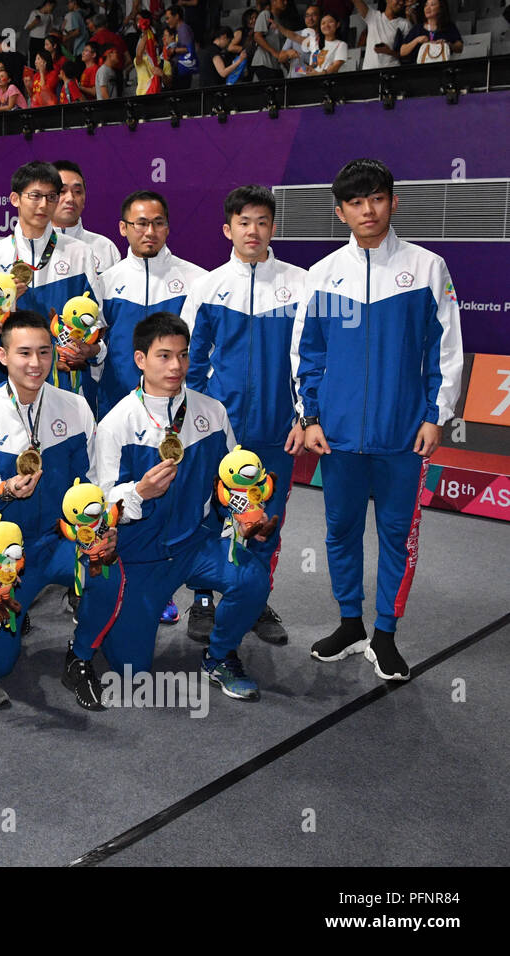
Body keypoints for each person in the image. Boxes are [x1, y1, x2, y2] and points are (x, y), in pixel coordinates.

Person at [294, 158, 463, 681]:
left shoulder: (428, 268)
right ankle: (350, 623)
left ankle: (385, 634)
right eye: (356, 202)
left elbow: (446, 351)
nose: (369, 209)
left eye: (377, 198)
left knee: (398, 537)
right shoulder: (323, 275)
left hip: (402, 437)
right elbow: (307, 354)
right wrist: (311, 417)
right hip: (337, 440)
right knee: (340, 533)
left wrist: (436, 416)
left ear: (394, 200)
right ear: (340, 211)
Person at [64, 312, 272, 708]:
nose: (176, 366)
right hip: (138, 556)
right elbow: (100, 507)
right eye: (163, 356)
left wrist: (244, 518)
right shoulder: (116, 424)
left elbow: (230, 482)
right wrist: (139, 491)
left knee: (253, 580)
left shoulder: (212, 412)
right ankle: (114, 622)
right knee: (130, 672)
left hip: (195, 544)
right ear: (140, 360)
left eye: (182, 355)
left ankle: (220, 656)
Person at [0, 310, 99, 704]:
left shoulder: (75, 407)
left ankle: (80, 655)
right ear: (2, 356)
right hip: (10, 556)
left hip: (59, 540)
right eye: (24, 353)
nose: (35, 364)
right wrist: (3, 490)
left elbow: (95, 479)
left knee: (108, 566)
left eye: (44, 353)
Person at [180, 185, 309, 646]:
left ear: (272, 228)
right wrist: (193, 423)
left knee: (266, 517)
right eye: (243, 222)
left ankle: (253, 598)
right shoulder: (207, 287)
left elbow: (311, 358)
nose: (252, 231)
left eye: (261, 222)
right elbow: (191, 363)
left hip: (278, 429)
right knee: (211, 513)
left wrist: (304, 417)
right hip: (222, 431)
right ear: (227, 229)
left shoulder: (302, 283)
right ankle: (203, 599)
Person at [0, 161, 100, 397]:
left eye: (51, 197)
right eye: (35, 196)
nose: (44, 204)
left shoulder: (79, 253)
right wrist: (0, 312)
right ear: (15, 199)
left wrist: (89, 347)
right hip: (9, 375)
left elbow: (98, 319)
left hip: (66, 378)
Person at [96, 190, 206, 418]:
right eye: (141, 223)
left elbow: (205, 348)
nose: (150, 232)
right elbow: (97, 349)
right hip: (117, 406)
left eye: (158, 223)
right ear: (123, 228)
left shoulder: (197, 280)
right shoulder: (104, 283)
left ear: (167, 227)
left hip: (181, 406)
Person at [51, 159, 121, 274]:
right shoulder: (31, 249)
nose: (70, 198)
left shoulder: (106, 248)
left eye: (77, 191)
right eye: (62, 191)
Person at [352, 0, 408, 70]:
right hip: (369, 71)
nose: (401, 2)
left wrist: (388, 52)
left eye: (403, 0)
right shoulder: (373, 16)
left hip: (392, 71)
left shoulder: (405, 24)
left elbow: (406, 56)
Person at [251, 0, 292, 79]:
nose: (285, 2)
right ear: (273, 1)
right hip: (263, 63)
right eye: (282, 0)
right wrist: (275, 53)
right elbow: (257, 37)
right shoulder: (266, 14)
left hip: (276, 66)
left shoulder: (280, 22)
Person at [164, 5, 199, 85]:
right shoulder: (180, 29)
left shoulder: (183, 29)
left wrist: (173, 50)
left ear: (176, 16)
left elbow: (189, 49)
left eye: (168, 18)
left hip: (184, 70)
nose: (167, 21)